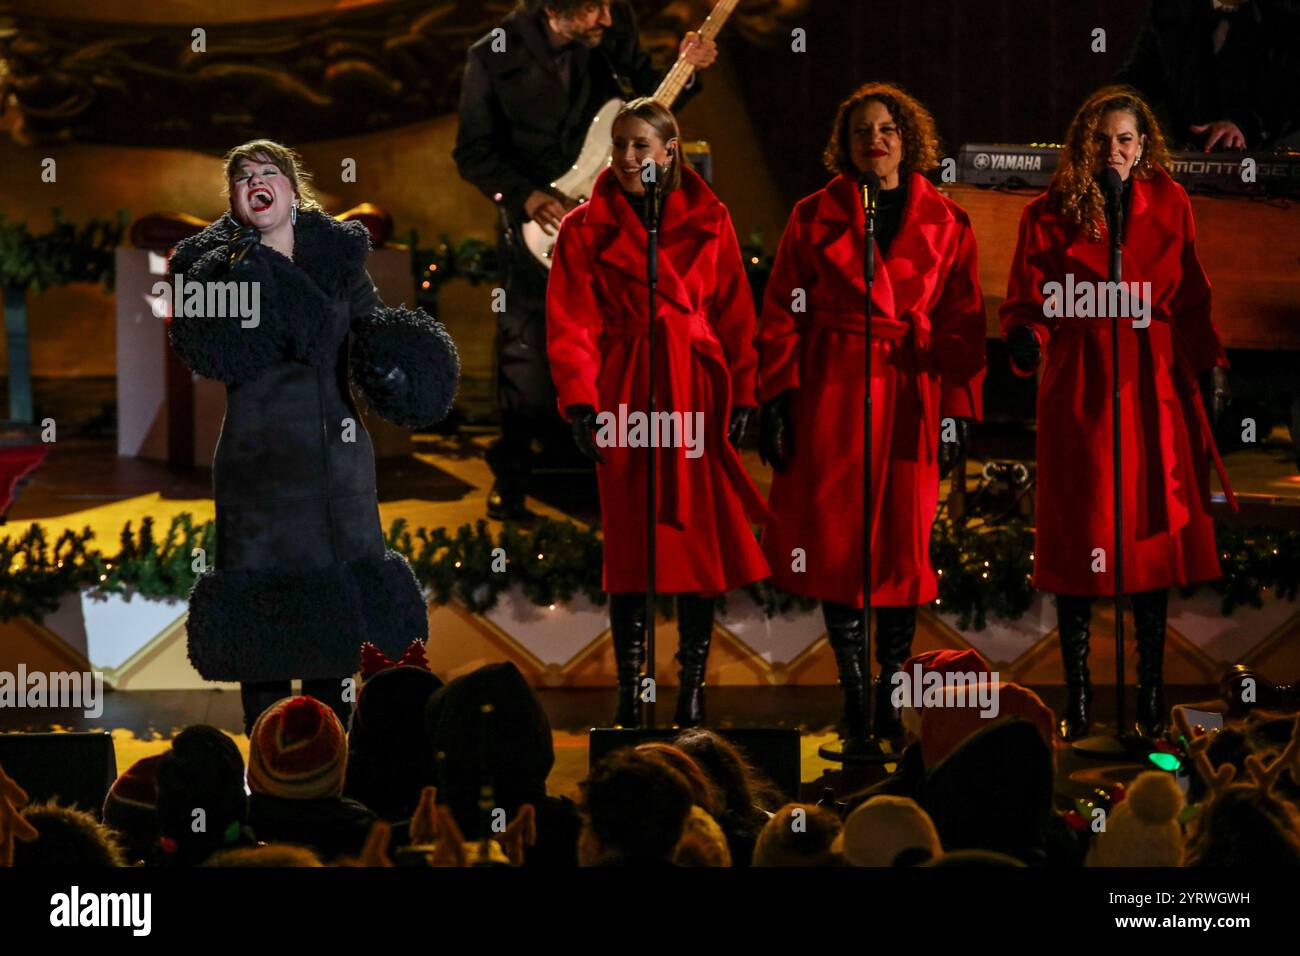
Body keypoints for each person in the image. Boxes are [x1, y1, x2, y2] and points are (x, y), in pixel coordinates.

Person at [166, 140, 460, 734]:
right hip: (258, 462)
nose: (256, 181)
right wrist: (259, 263)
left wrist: (406, 370)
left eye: (267, 172)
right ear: (234, 200)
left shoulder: (336, 255)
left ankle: (334, 762)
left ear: (292, 189)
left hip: (337, 461)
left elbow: (373, 329)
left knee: (336, 627)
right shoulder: (207, 265)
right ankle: (272, 763)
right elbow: (217, 348)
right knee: (265, 628)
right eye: (243, 177)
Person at [755, 82, 987, 749]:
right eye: (862, 131)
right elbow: (781, 313)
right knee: (837, 550)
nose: (875, 140)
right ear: (846, 143)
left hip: (908, 398)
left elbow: (962, 325)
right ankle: (855, 700)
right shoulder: (812, 215)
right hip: (831, 392)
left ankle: (890, 699)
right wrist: (776, 397)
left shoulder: (947, 221)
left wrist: (957, 411)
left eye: (886, 129)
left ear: (906, 138)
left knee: (898, 552)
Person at [999, 86, 1233, 741]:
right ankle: (1078, 705)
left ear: (1144, 145)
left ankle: (1151, 702)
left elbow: (1190, 298)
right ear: (1083, 145)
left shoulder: (1171, 205)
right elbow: (1028, 303)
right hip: (1083, 387)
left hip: (1151, 382)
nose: (1114, 151)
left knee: (1148, 548)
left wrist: (1208, 367)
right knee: (1082, 541)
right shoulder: (1047, 213)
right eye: (1102, 140)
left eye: (1125, 140)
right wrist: (1028, 336)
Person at [547, 99, 771, 728]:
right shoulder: (583, 229)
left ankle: (692, 688)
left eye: (640, 145)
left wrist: (745, 394)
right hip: (624, 391)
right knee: (631, 544)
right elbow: (571, 321)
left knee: (696, 542)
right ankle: (630, 692)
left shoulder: (711, 218)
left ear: (670, 151)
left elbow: (734, 311)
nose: (625, 157)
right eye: (619, 144)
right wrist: (583, 405)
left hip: (692, 388)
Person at [454, 0, 716, 520]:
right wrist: (526, 196)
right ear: (554, 7)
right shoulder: (492, 54)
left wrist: (687, 71)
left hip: (610, 226)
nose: (605, 18)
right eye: (591, 8)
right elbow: (473, 151)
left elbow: (651, 111)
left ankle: (614, 479)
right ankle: (514, 478)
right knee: (526, 354)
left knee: (616, 347)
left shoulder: (614, 31)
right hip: (536, 228)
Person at [1117, 0, 1300, 151]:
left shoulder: (1288, 16)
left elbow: (1290, 99)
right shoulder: (1171, 10)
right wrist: (1112, 110)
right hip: (1190, 158)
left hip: (1271, 161)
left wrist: (1244, 126)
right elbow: (1138, 80)